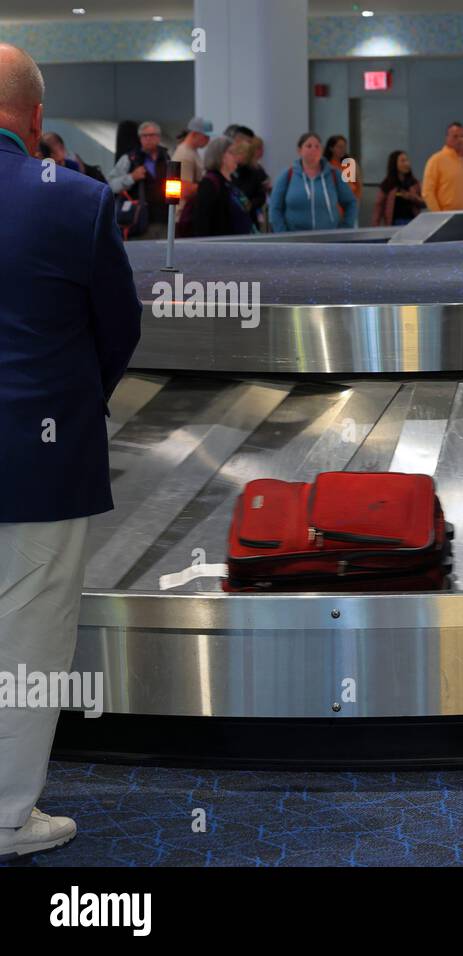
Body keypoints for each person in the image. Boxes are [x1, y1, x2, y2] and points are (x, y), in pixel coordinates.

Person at [0, 43, 141, 861]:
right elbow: (117, 329)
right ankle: (9, 815)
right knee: (27, 641)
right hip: (39, 459)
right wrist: (74, 406)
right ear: (38, 119)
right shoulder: (78, 202)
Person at [268, 131, 357, 232]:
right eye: (309, 146)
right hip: (295, 241)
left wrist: (345, 228)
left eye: (317, 146)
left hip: (329, 240)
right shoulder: (287, 175)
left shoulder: (334, 174)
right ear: (299, 150)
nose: (313, 149)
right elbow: (275, 208)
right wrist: (282, 233)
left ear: (322, 150)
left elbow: (351, 202)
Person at [107, 120, 172, 239]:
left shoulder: (167, 157)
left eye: (151, 135)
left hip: (164, 221)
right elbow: (111, 185)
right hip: (139, 223)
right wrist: (131, 177)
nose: (147, 139)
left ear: (158, 137)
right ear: (139, 138)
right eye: (144, 136)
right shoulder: (130, 158)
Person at [187, 135, 256, 237]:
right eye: (232, 152)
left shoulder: (231, 181)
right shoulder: (210, 184)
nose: (236, 156)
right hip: (222, 246)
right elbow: (202, 223)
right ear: (221, 156)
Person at [422, 121, 463, 211]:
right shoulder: (436, 160)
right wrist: (438, 215)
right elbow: (427, 192)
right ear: (447, 138)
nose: (460, 140)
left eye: (462, 136)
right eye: (455, 136)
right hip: (446, 217)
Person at [169, 115, 213, 217]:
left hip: (188, 213)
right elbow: (184, 189)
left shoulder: (191, 152)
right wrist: (210, 187)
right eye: (205, 136)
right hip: (184, 216)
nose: (208, 140)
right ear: (194, 134)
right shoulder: (185, 154)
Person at [372, 150, 426, 226]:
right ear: (394, 163)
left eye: (407, 160)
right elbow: (378, 207)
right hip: (394, 224)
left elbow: (424, 203)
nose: (407, 164)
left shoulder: (414, 183)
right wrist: (375, 227)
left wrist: (411, 197)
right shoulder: (387, 184)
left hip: (413, 223)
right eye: (402, 161)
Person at [230, 135, 270, 230]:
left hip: (249, 218)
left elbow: (261, 196)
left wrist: (250, 205)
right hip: (239, 218)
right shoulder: (230, 172)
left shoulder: (256, 171)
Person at [325, 133, 363, 210]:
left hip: (349, 205)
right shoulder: (326, 165)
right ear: (331, 148)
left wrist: (356, 203)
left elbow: (357, 186)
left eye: (344, 147)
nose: (343, 149)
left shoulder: (349, 163)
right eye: (339, 147)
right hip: (332, 206)